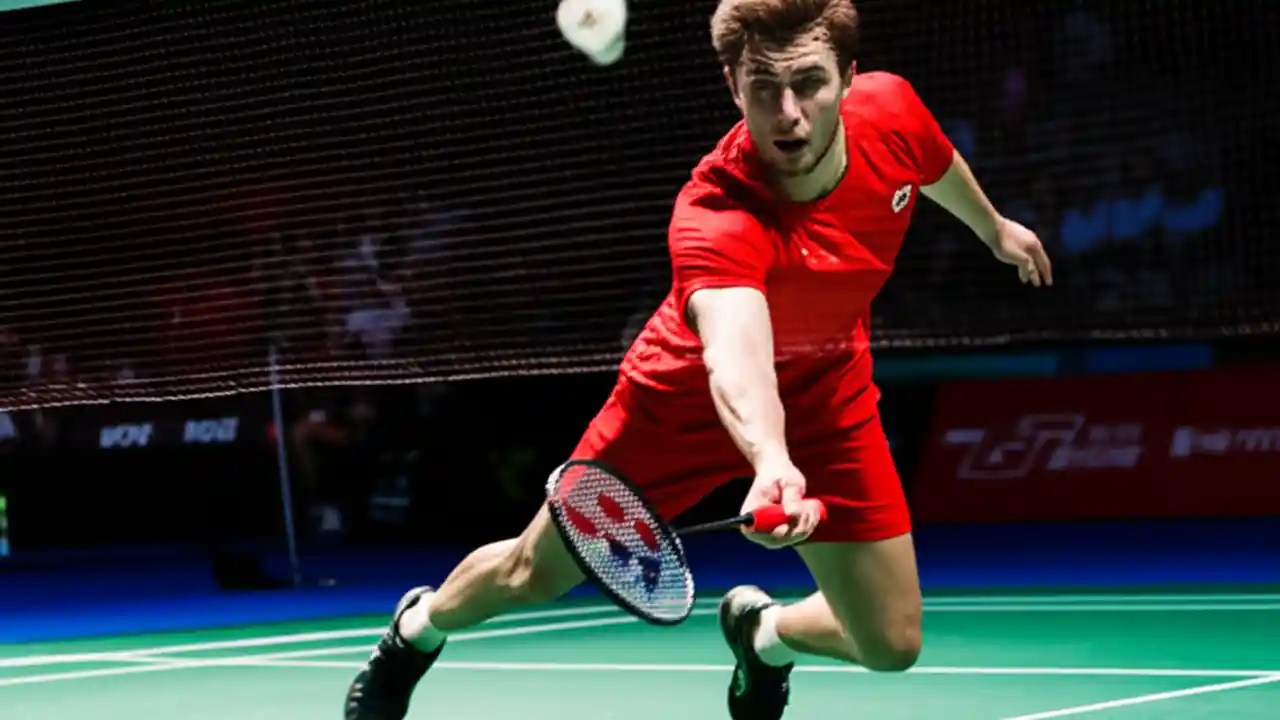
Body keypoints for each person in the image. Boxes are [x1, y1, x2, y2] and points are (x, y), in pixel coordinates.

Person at [343, 0, 1053, 718]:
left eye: (809, 83)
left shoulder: (891, 109)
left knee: (892, 641)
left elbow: (933, 162)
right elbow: (736, 356)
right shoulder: (716, 211)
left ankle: (763, 633)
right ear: (731, 86)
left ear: (850, 76)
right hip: (677, 402)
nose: (789, 115)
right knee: (533, 572)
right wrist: (772, 460)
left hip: (828, 392)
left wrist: (994, 230)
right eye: (761, 89)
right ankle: (415, 631)